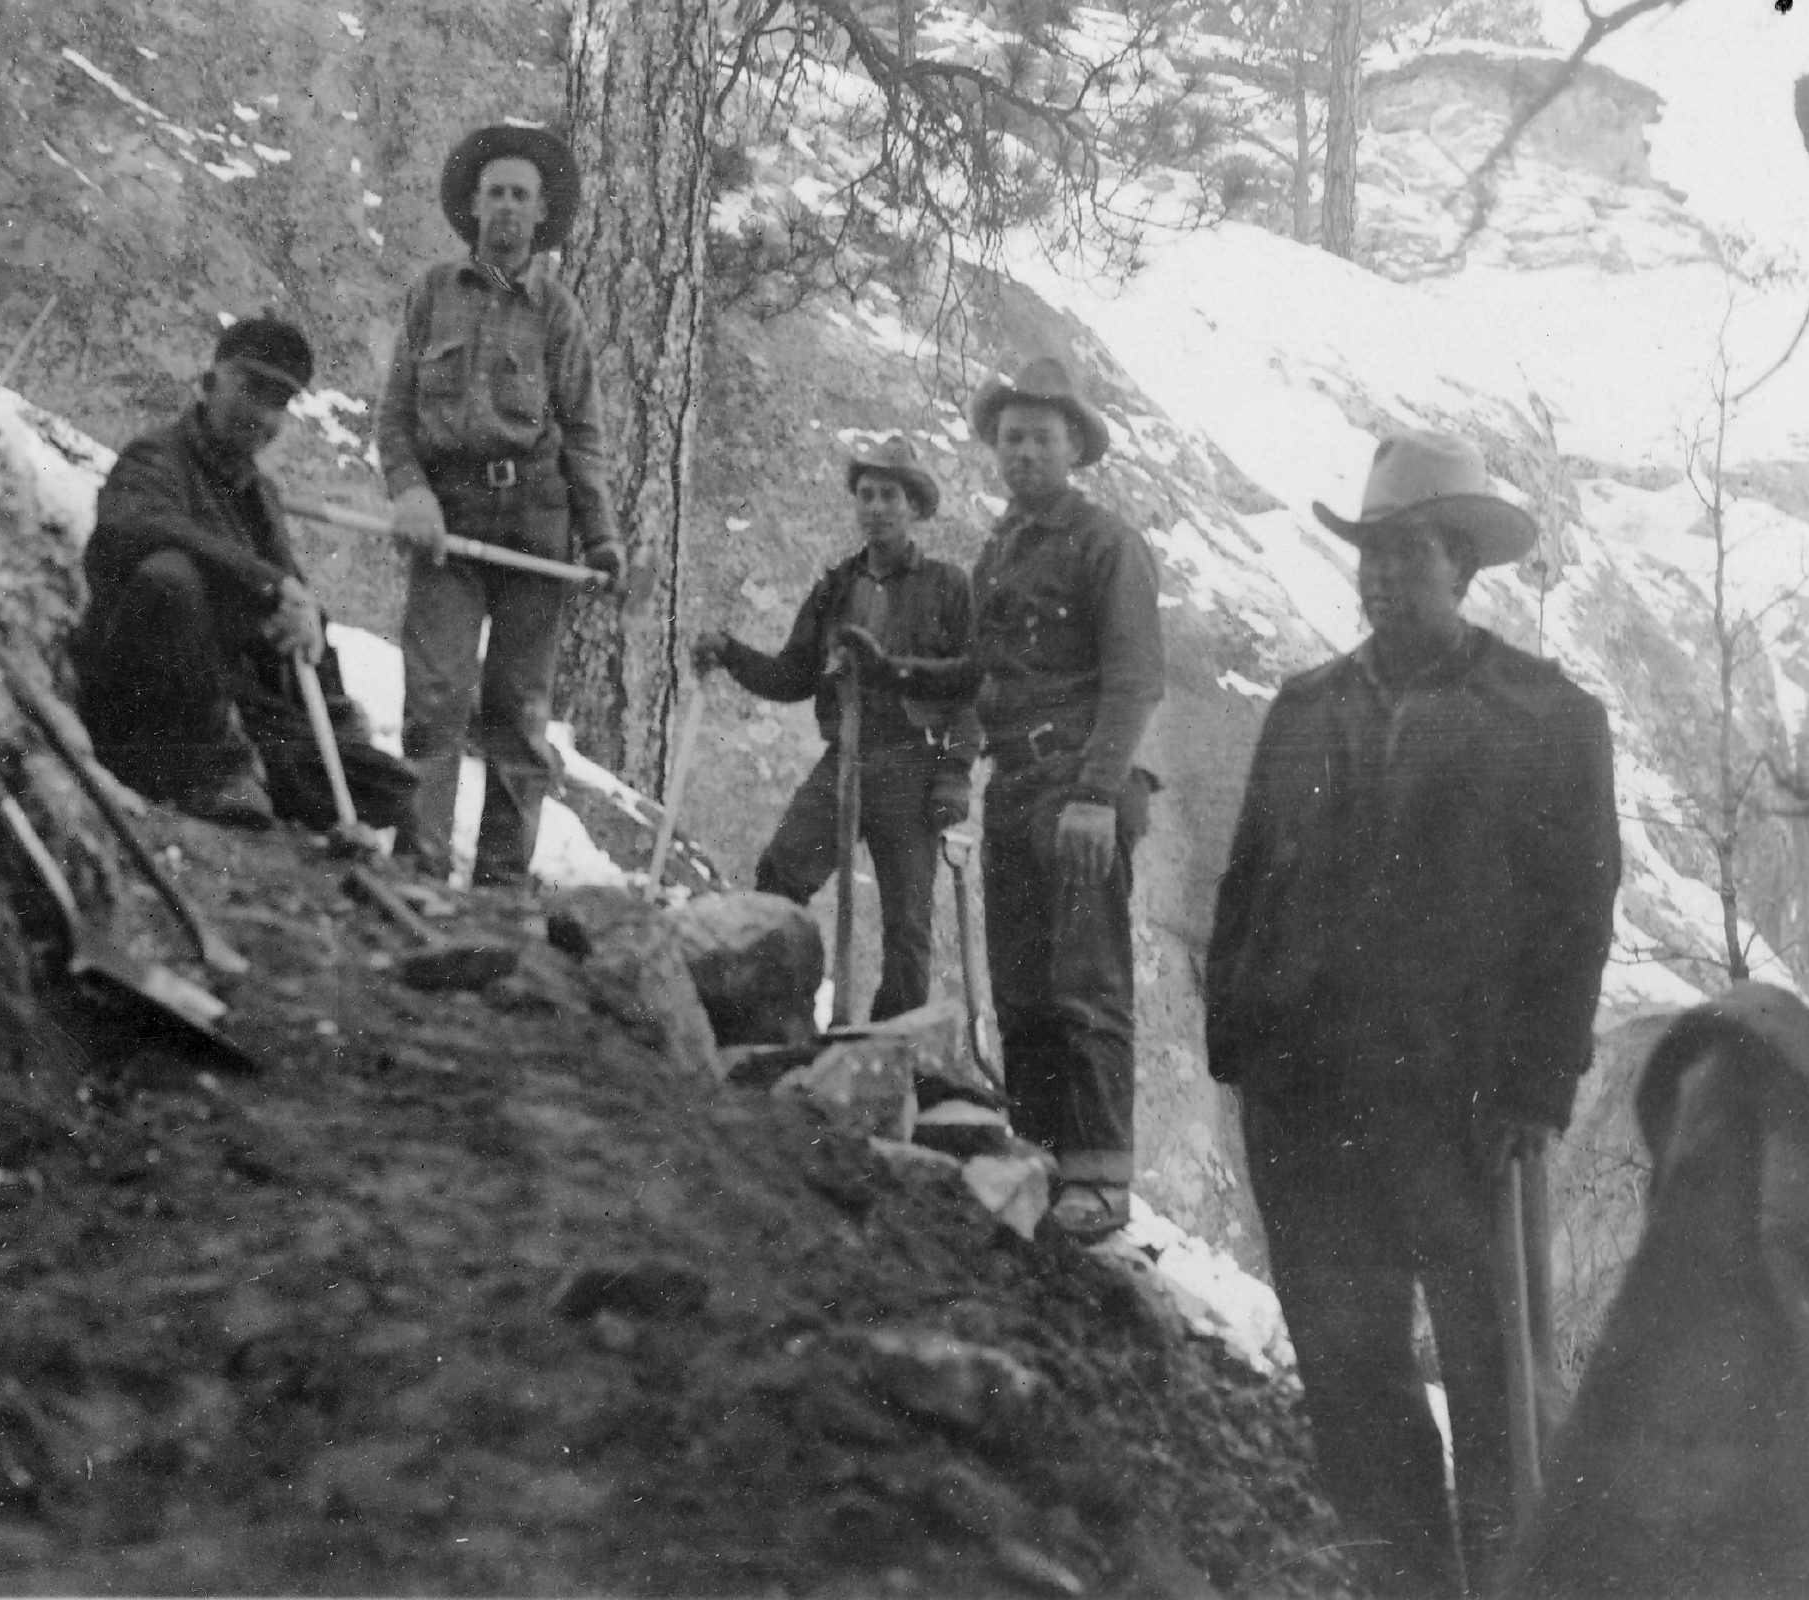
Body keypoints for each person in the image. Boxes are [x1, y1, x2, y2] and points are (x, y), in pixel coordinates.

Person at [1204, 430, 1620, 1596]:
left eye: (1408, 555)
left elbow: (1574, 918)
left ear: (1463, 566)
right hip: (1311, 1104)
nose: (1383, 577)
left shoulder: (1548, 717)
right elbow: (1248, 880)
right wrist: (1238, 1033)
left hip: (1464, 1108)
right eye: (1371, 556)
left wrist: (1538, 1085)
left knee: (1496, 1382)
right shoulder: (1303, 707)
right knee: (1350, 1375)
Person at [375, 122, 625, 886]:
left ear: (540, 212)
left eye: (522, 195)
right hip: (447, 527)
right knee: (437, 697)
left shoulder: (560, 314)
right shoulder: (431, 295)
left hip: (535, 533)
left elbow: (583, 434)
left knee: (518, 713)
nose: (508, 208)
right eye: (496, 194)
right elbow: (394, 419)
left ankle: (501, 890)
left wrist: (602, 539)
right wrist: (411, 494)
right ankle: (417, 873)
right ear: (475, 208)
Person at [962, 357, 1164, 1242]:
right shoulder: (998, 549)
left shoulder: (1106, 543)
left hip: (1077, 792)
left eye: (1042, 438)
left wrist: (1094, 793)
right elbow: (976, 674)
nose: (1025, 453)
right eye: (1012, 439)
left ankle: (1101, 1177)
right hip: (1010, 790)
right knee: (1023, 988)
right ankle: (1040, 1154)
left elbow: (1134, 680)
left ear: (1074, 446)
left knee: (1086, 984)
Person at [75, 316, 413, 832]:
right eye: (251, 390)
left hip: (236, 708)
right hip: (145, 704)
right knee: (171, 577)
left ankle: (252, 774)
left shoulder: (263, 498)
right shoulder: (154, 459)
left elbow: (301, 612)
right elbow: (135, 527)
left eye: (278, 402)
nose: (261, 415)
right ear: (209, 384)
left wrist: (333, 705)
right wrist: (269, 586)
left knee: (386, 783)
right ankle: (214, 777)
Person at [691, 435, 977, 1021]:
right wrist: (729, 653)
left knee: (907, 929)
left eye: (890, 495)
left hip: (910, 769)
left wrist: (954, 776)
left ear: (915, 507)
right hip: (842, 764)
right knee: (780, 875)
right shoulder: (834, 589)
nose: (875, 507)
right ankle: (769, 1020)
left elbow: (970, 688)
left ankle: (885, 1059)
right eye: (866, 495)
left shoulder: (948, 589)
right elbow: (791, 676)